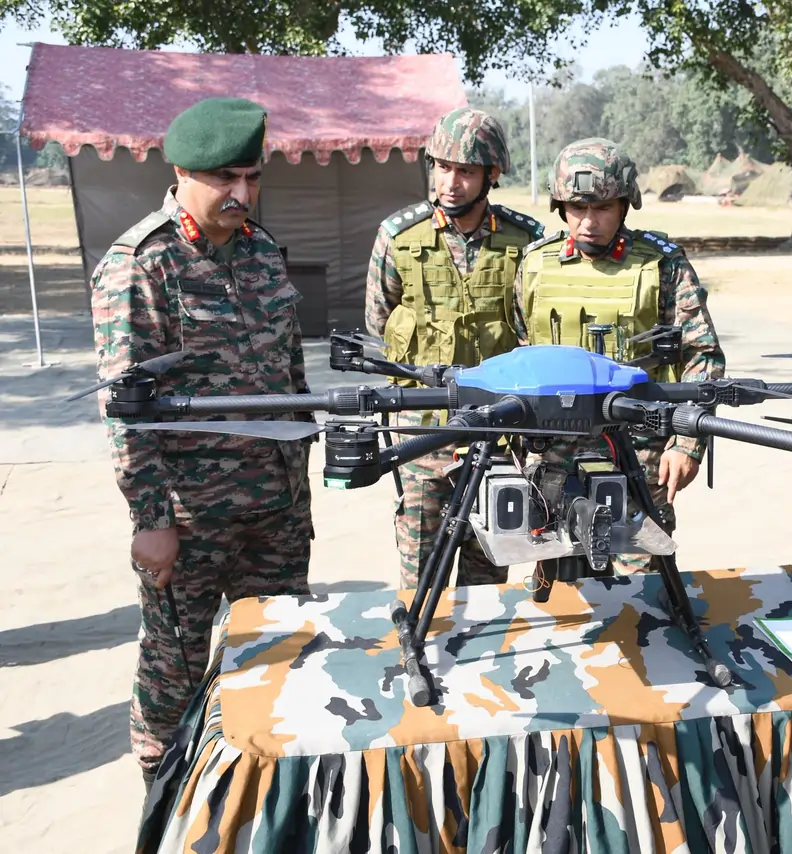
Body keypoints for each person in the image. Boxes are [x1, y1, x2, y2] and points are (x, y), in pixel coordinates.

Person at [89, 97, 314, 793]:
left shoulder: (262, 252)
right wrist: (150, 520)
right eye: (226, 180)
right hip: (189, 521)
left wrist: (302, 480)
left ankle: (266, 799)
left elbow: (291, 375)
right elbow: (125, 408)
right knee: (176, 671)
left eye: (252, 178)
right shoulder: (141, 264)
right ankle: (166, 799)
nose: (242, 195)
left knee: (279, 663)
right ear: (182, 171)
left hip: (273, 508)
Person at [511, 137, 726, 572]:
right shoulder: (535, 263)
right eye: (577, 208)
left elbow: (704, 358)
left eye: (603, 208)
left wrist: (687, 444)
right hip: (552, 459)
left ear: (625, 204)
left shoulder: (663, 264)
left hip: (637, 459)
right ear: (560, 207)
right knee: (560, 592)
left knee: (643, 596)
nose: (589, 221)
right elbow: (520, 353)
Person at [365, 107, 543, 590]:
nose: (451, 182)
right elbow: (380, 325)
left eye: (465, 171)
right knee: (420, 576)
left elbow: (536, 335)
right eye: (442, 167)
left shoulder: (526, 242)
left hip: (499, 434)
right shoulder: (398, 237)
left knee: (488, 577)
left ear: (491, 175)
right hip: (422, 437)